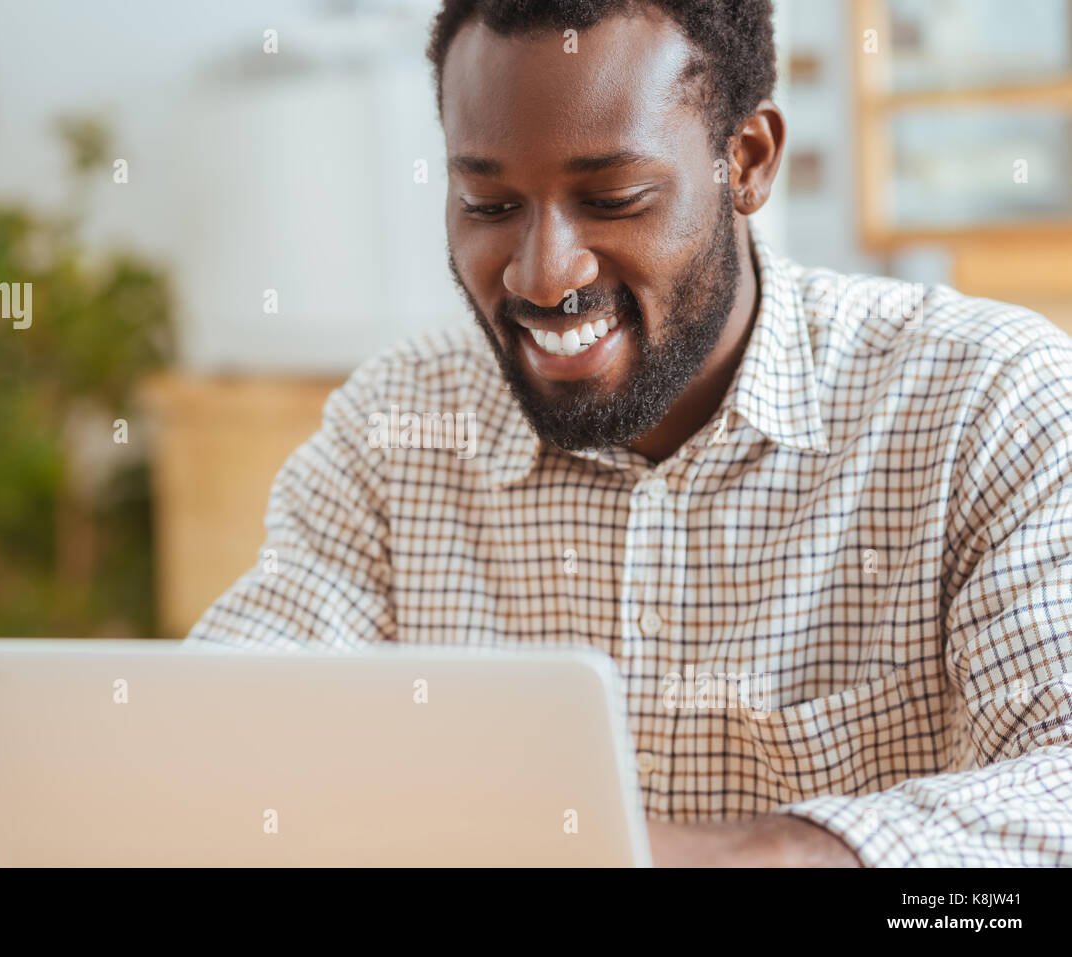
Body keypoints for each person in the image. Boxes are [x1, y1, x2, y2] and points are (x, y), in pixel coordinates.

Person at [188, 0, 1072, 866]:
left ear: (749, 160)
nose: (543, 275)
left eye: (613, 199)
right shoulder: (397, 431)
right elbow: (223, 735)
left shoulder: (985, 404)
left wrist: (771, 855)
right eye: (489, 205)